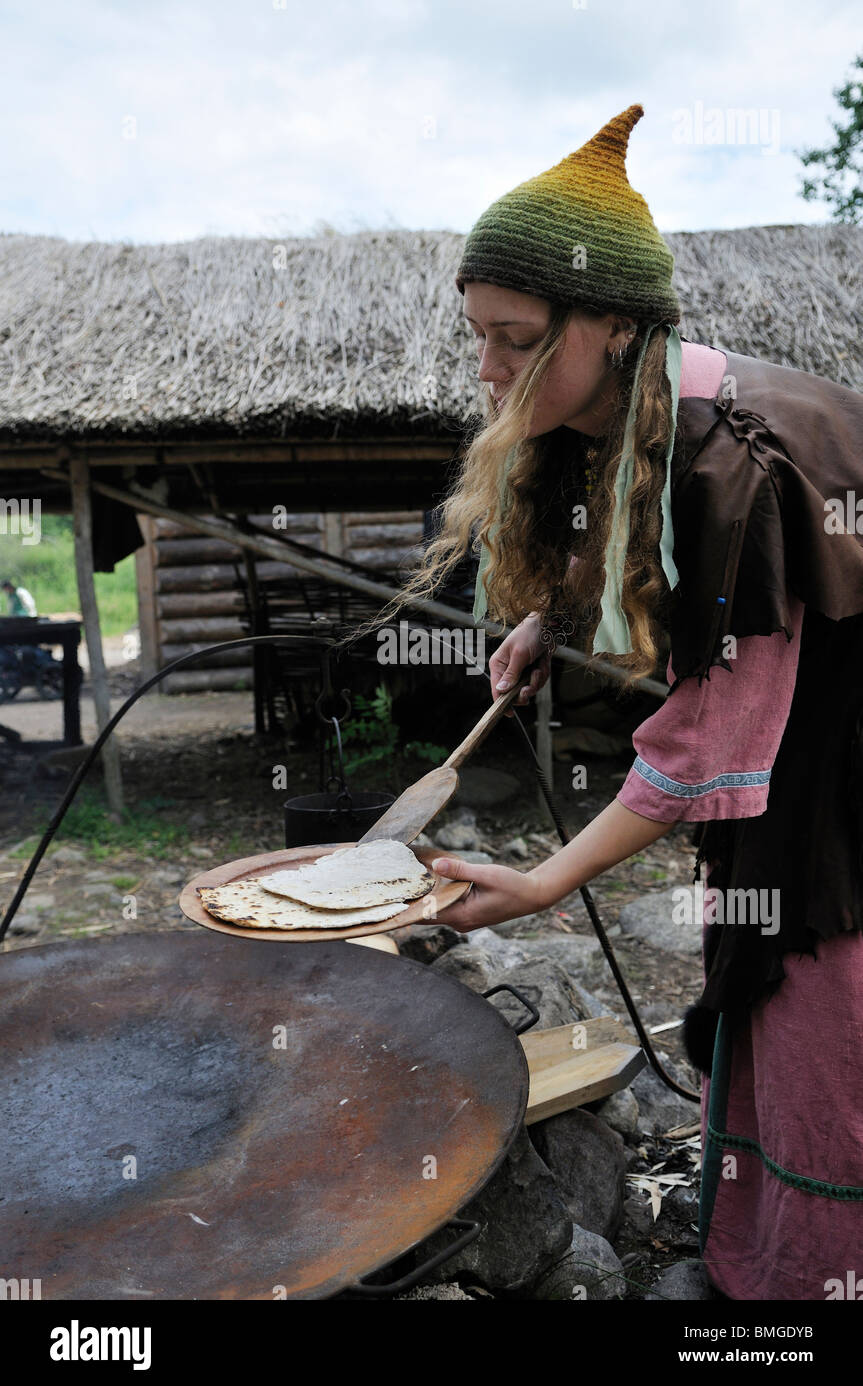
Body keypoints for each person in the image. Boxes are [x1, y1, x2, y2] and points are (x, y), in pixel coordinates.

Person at [336, 103, 863, 1300]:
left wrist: (545, 881)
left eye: (514, 340)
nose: (487, 369)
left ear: (613, 323)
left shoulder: (738, 462)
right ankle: (750, 1267)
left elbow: (704, 735)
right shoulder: (624, 418)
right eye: (478, 336)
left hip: (841, 787)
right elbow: (632, 559)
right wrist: (551, 621)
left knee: (829, 1031)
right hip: (797, 773)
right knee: (771, 1007)